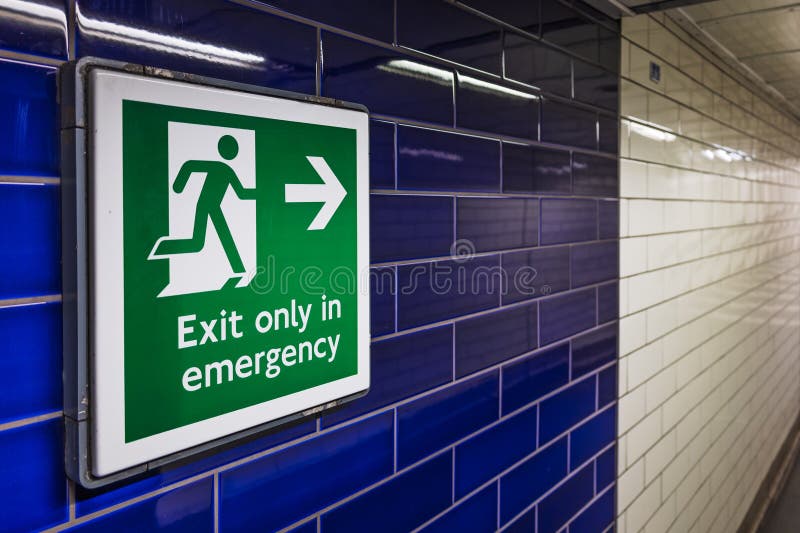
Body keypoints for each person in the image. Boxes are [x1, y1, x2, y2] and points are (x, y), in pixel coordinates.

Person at [151, 134, 255, 273]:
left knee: (202, 241)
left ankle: (238, 269)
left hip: (214, 207)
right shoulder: (220, 167)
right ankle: (162, 249)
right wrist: (179, 185)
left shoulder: (227, 170)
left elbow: (241, 193)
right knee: (198, 243)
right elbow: (190, 165)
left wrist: (261, 192)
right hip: (205, 205)